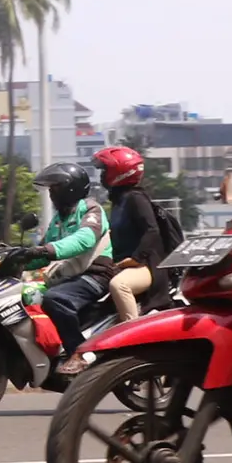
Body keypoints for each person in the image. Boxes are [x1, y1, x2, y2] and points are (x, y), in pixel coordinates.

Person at [31, 162, 113, 354]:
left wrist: (47, 250)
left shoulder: (91, 209)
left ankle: (78, 353)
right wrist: (17, 256)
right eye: (50, 188)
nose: (51, 193)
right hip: (73, 274)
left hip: (96, 274)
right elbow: (43, 250)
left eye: (55, 187)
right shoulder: (59, 219)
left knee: (56, 299)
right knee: (25, 296)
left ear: (71, 187)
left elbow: (84, 239)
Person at [92, 145, 177, 323]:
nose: (101, 175)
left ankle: (130, 329)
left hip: (148, 266)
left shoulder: (135, 198)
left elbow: (151, 230)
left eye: (105, 170)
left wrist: (136, 258)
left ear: (119, 172)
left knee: (120, 285)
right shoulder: (118, 201)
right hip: (128, 265)